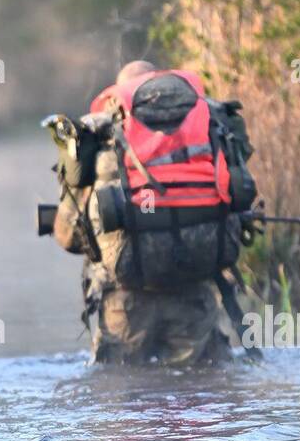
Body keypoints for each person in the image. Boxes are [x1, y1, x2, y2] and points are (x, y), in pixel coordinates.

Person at [51, 60, 255, 366]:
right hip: (195, 295)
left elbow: (68, 236)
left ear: (119, 93)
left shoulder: (100, 131)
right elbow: (237, 203)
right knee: (206, 395)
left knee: (122, 396)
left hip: (126, 306)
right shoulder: (206, 122)